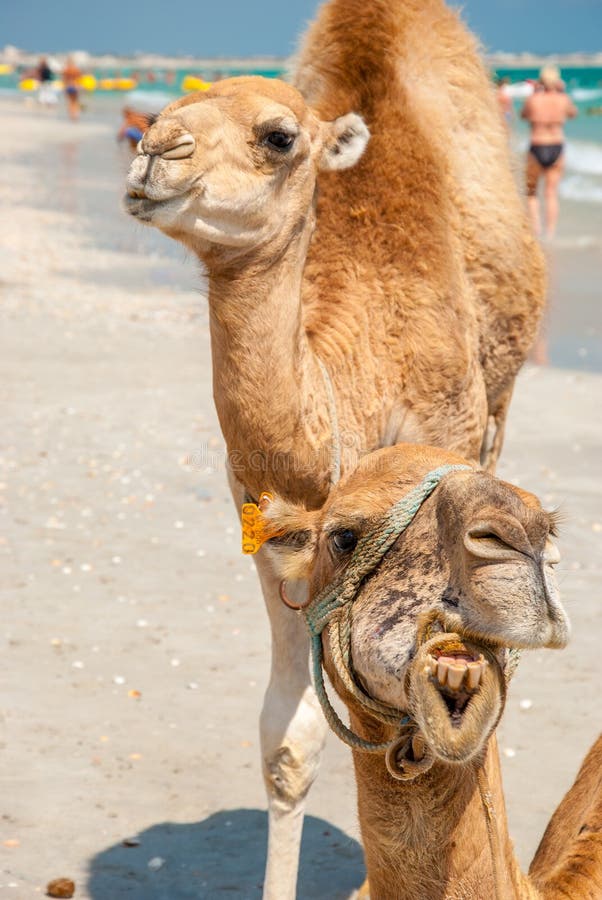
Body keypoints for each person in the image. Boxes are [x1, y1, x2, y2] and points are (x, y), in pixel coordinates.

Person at [521, 64, 577, 239]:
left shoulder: (533, 100)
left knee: (531, 192)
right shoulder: (563, 99)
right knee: (551, 193)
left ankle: (536, 230)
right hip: (556, 146)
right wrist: (561, 92)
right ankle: (550, 233)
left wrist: (536, 93)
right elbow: (573, 113)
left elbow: (524, 115)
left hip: (537, 145)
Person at [62, 56, 82, 121]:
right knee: (75, 101)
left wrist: (64, 88)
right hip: (75, 86)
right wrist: (79, 86)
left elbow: (64, 80)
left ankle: (72, 115)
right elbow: (79, 79)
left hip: (68, 86)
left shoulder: (66, 69)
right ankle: (75, 115)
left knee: (70, 101)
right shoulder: (76, 69)